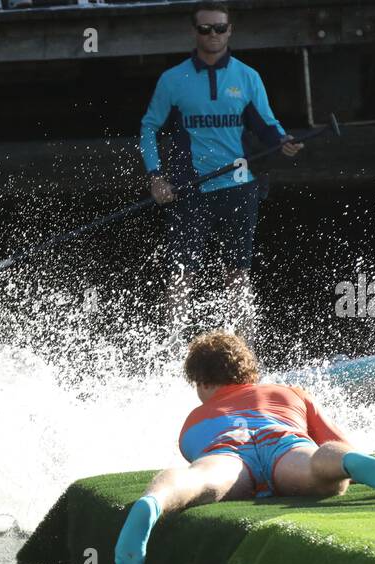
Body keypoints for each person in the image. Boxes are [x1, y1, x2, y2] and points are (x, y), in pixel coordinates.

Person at [113, 331, 375, 564]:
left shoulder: (194, 419)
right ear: (249, 372)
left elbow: (199, 454)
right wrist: (342, 461)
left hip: (225, 443)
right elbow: (337, 440)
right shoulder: (290, 393)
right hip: (281, 438)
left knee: (200, 479)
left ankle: (154, 501)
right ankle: (350, 464)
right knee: (319, 465)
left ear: (203, 383)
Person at [139, 1, 303, 343]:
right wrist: (156, 176)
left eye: (220, 28)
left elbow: (266, 124)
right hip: (190, 189)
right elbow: (148, 128)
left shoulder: (247, 77)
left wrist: (283, 140)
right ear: (194, 32)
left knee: (237, 275)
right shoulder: (173, 80)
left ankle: (246, 354)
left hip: (239, 187)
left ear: (230, 30)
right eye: (205, 29)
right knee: (182, 274)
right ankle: (174, 350)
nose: (213, 35)